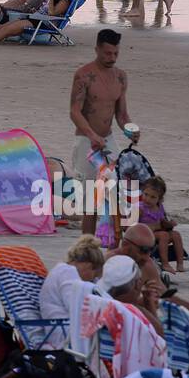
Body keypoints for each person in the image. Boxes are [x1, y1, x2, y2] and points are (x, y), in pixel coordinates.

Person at [69, 28, 137, 235]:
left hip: (108, 141)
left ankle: (119, 242)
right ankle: (87, 244)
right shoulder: (84, 75)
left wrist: (131, 130)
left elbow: (121, 115)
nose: (112, 58)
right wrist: (91, 134)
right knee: (90, 200)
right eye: (107, 53)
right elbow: (74, 112)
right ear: (97, 49)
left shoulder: (120, 77)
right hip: (85, 142)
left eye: (116, 53)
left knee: (119, 190)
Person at [39, 234, 105, 323]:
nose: (93, 279)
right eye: (94, 275)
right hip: (64, 330)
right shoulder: (66, 272)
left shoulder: (63, 272)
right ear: (89, 266)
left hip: (64, 327)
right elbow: (77, 307)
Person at [138, 176, 184, 274]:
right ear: (142, 192)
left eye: (153, 197)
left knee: (176, 234)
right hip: (145, 235)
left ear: (160, 199)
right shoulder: (140, 208)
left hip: (158, 233)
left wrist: (169, 223)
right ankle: (165, 263)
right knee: (164, 235)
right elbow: (133, 226)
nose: (148, 199)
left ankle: (180, 262)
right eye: (146, 194)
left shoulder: (159, 207)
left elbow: (162, 221)